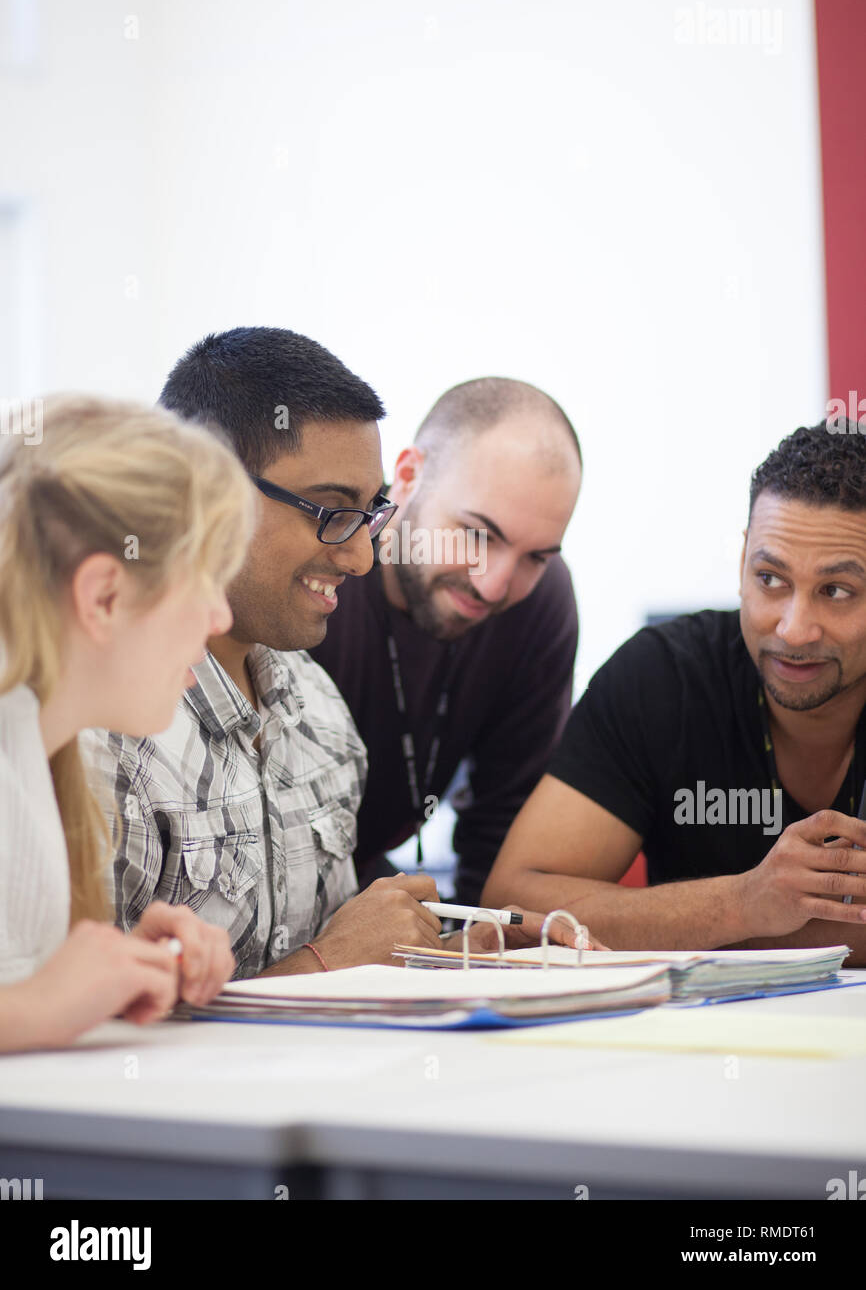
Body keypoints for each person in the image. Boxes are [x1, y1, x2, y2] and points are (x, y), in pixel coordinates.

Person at [83, 329, 594, 976]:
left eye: (367, 513)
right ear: (203, 488)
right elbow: (81, 1033)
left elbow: (348, 941)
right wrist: (327, 964)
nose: (358, 556)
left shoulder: (318, 715)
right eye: (330, 512)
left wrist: (455, 952)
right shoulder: (96, 725)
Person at [483, 421, 866, 963]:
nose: (792, 629)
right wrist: (743, 902)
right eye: (770, 579)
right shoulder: (662, 677)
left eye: (836, 590)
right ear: (742, 564)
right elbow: (513, 908)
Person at [0, 395, 251, 1052]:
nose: (219, 618)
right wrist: (35, 1006)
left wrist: (108, 976)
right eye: (206, 581)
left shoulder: (41, 752)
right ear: (103, 597)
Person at [311, 377, 582, 902]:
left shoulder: (543, 599)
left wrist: (478, 955)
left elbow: (506, 825)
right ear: (409, 475)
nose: (494, 585)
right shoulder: (318, 574)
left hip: (377, 888)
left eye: (536, 556)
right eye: (478, 534)